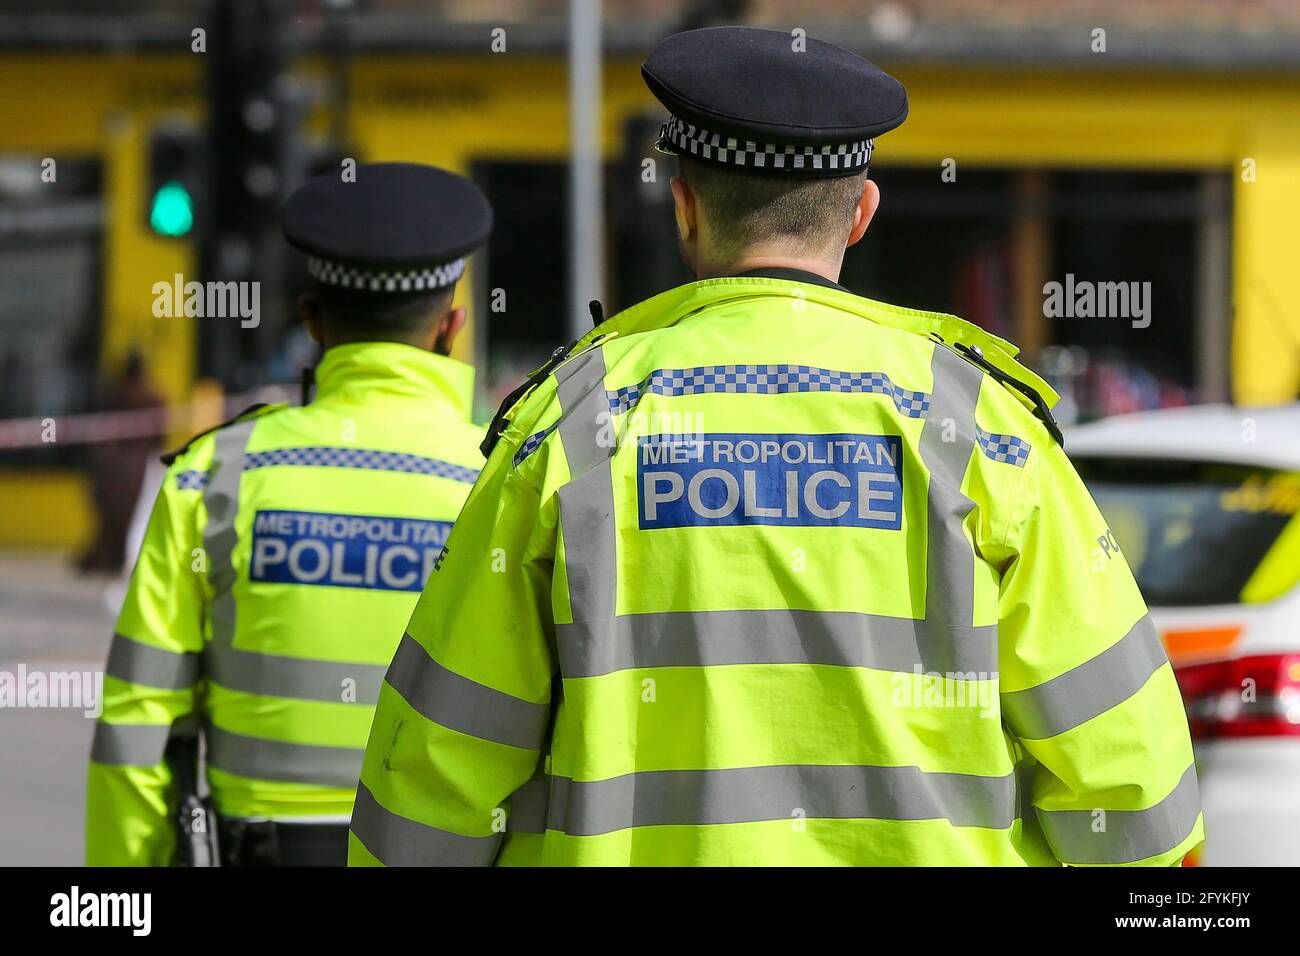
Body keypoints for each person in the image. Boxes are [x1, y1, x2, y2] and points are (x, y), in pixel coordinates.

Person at [350, 27, 1203, 866]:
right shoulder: (982, 425)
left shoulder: (570, 423)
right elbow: (1135, 794)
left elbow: (433, 780)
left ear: (683, 206)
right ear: (861, 213)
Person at [86, 162, 493, 865]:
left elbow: (137, 727)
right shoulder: (507, 480)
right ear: (451, 326)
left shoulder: (215, 476)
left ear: (310, 319)